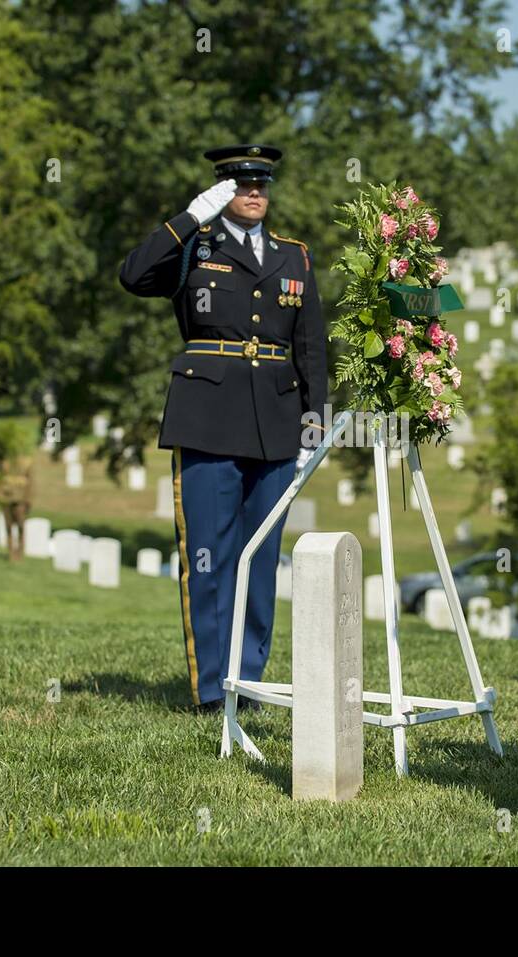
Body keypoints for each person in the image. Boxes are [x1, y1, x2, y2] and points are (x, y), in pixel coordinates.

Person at [119, 144, 327, 713]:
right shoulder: (193, 249)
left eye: (261, 183)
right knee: (209, 556)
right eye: (241, 184)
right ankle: (212, 690)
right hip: (208, 417)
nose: (254, 192)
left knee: (261, 561)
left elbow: (310, 344)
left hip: (277, 422)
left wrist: (316, 417)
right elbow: (133, 274)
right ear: (221, 190)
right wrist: (189, 218)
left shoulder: (295, 257)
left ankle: (248, 683)